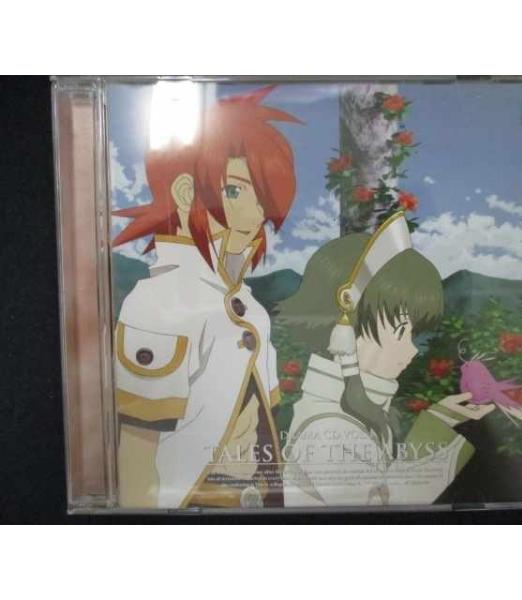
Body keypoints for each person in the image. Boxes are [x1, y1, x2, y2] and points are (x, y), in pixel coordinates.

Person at [112, 86, 301, 509]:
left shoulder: (251, 309)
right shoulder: (156, 304)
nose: (254, 216)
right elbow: (137, 460)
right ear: (184, 193)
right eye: (235, 191)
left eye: (262, 197)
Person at [277, 211, 494, 507]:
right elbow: (384, 514)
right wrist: (430, 432)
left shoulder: (352, 412)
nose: (413, 350)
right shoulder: (331, 430)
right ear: (348, 328)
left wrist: (437, 420)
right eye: (402, 331)